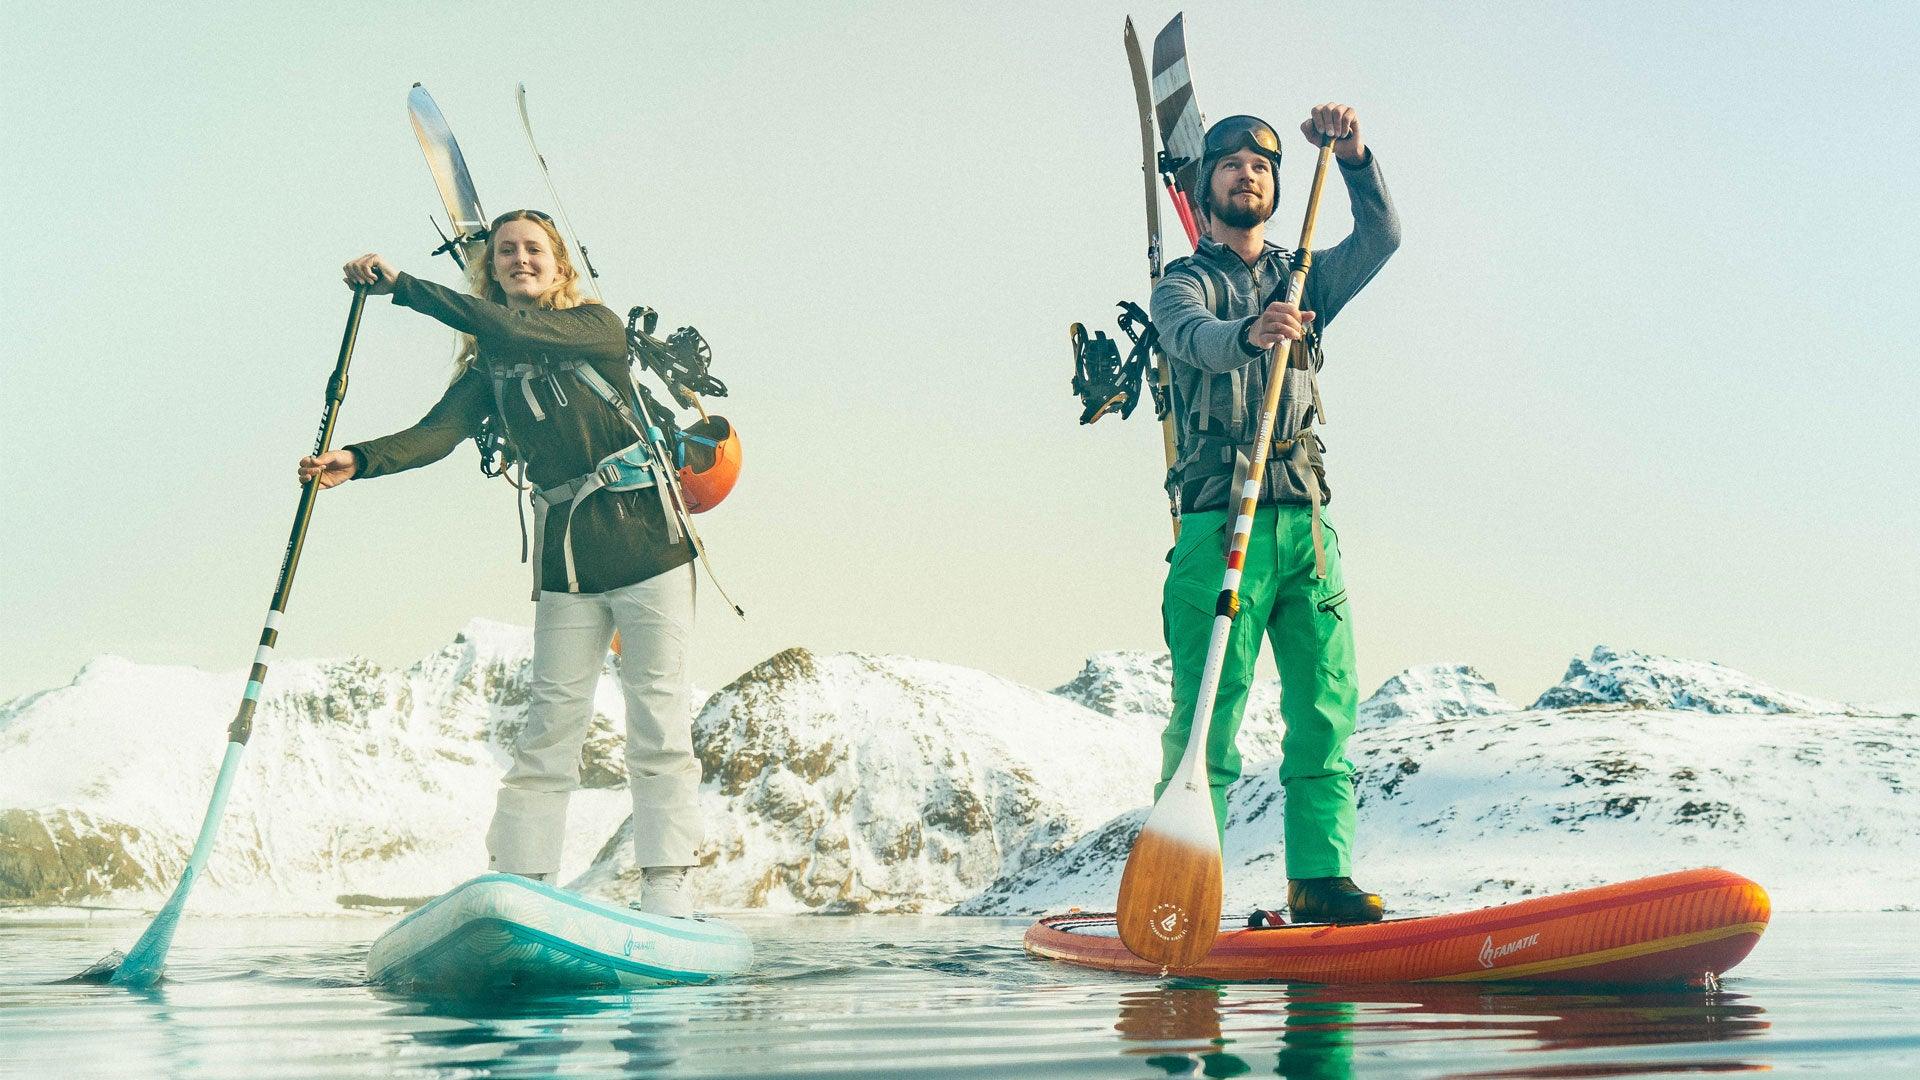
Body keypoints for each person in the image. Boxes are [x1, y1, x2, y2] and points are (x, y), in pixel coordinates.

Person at [298, 210, 703, 916]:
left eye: (534, 249)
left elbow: (517, 327)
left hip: (648, 548)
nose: (520, 259)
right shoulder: (491, 365)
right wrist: (357, 460)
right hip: (568, 564)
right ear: (492, 268)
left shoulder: (597, 328)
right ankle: (522, 884)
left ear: (560, 265)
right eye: (507, 250)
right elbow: (437, 434)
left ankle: (666, 884)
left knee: (657, 720)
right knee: (549, 724)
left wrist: (405, 287)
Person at [1148, 104, 1401, 923]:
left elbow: (1383, 238)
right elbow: (1195, 339)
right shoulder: (1182, 283)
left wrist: (1355, 156)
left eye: (1260, 166)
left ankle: (1319, 879)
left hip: (1305, 521)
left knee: (1326, 707)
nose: (1246, 175)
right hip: (1221, 522)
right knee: (1209, 714)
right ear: (1205, 184)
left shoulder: (1308, 276)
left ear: (1276, 184)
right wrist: (1253, 333)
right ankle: (1187, 884)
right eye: (1229, 165)